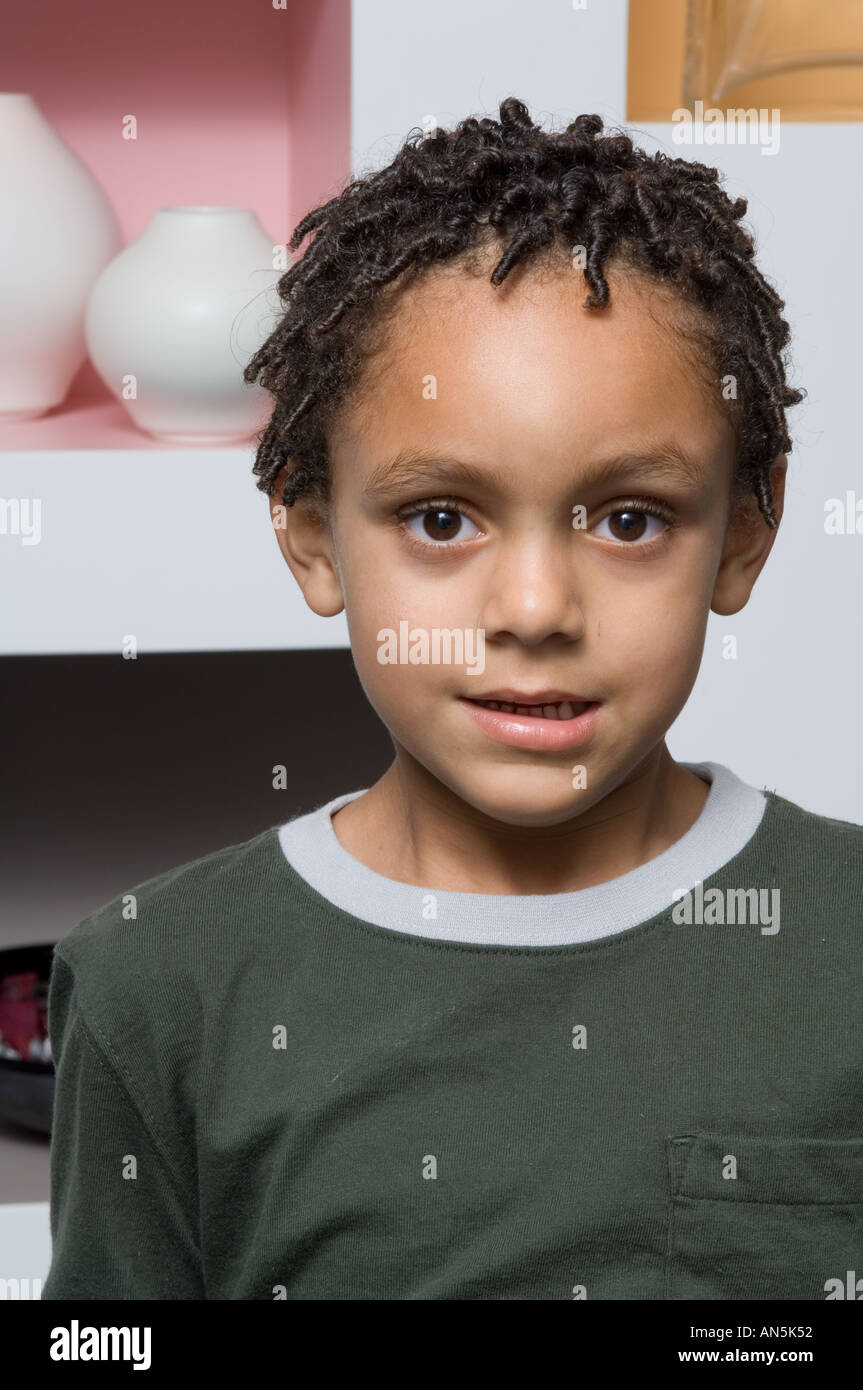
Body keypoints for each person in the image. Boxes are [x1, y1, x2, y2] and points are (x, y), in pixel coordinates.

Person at [42, 99, 863, 1301]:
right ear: (312, 532)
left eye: (629, 518)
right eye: (441, 518)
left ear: (745, 530)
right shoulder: (152, 989)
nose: (533, 606)